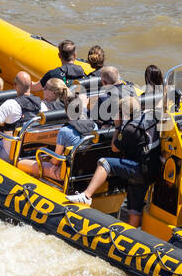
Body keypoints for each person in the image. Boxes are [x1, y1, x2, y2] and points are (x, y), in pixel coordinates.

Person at [67, 96, 160, 227]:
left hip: (139, 169)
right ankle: (131, 232)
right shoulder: (150, 117)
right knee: (135, 207)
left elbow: (115, 147)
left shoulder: (129, 129)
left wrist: (117, 127)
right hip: (152, 170)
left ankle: (86, 197)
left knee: (105, 162)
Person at [0, 71, 47, 162]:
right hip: (29, 155)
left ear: (15, 86)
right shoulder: (43, 106)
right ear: (31, 85)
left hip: (8, 155)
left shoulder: (10, 105)